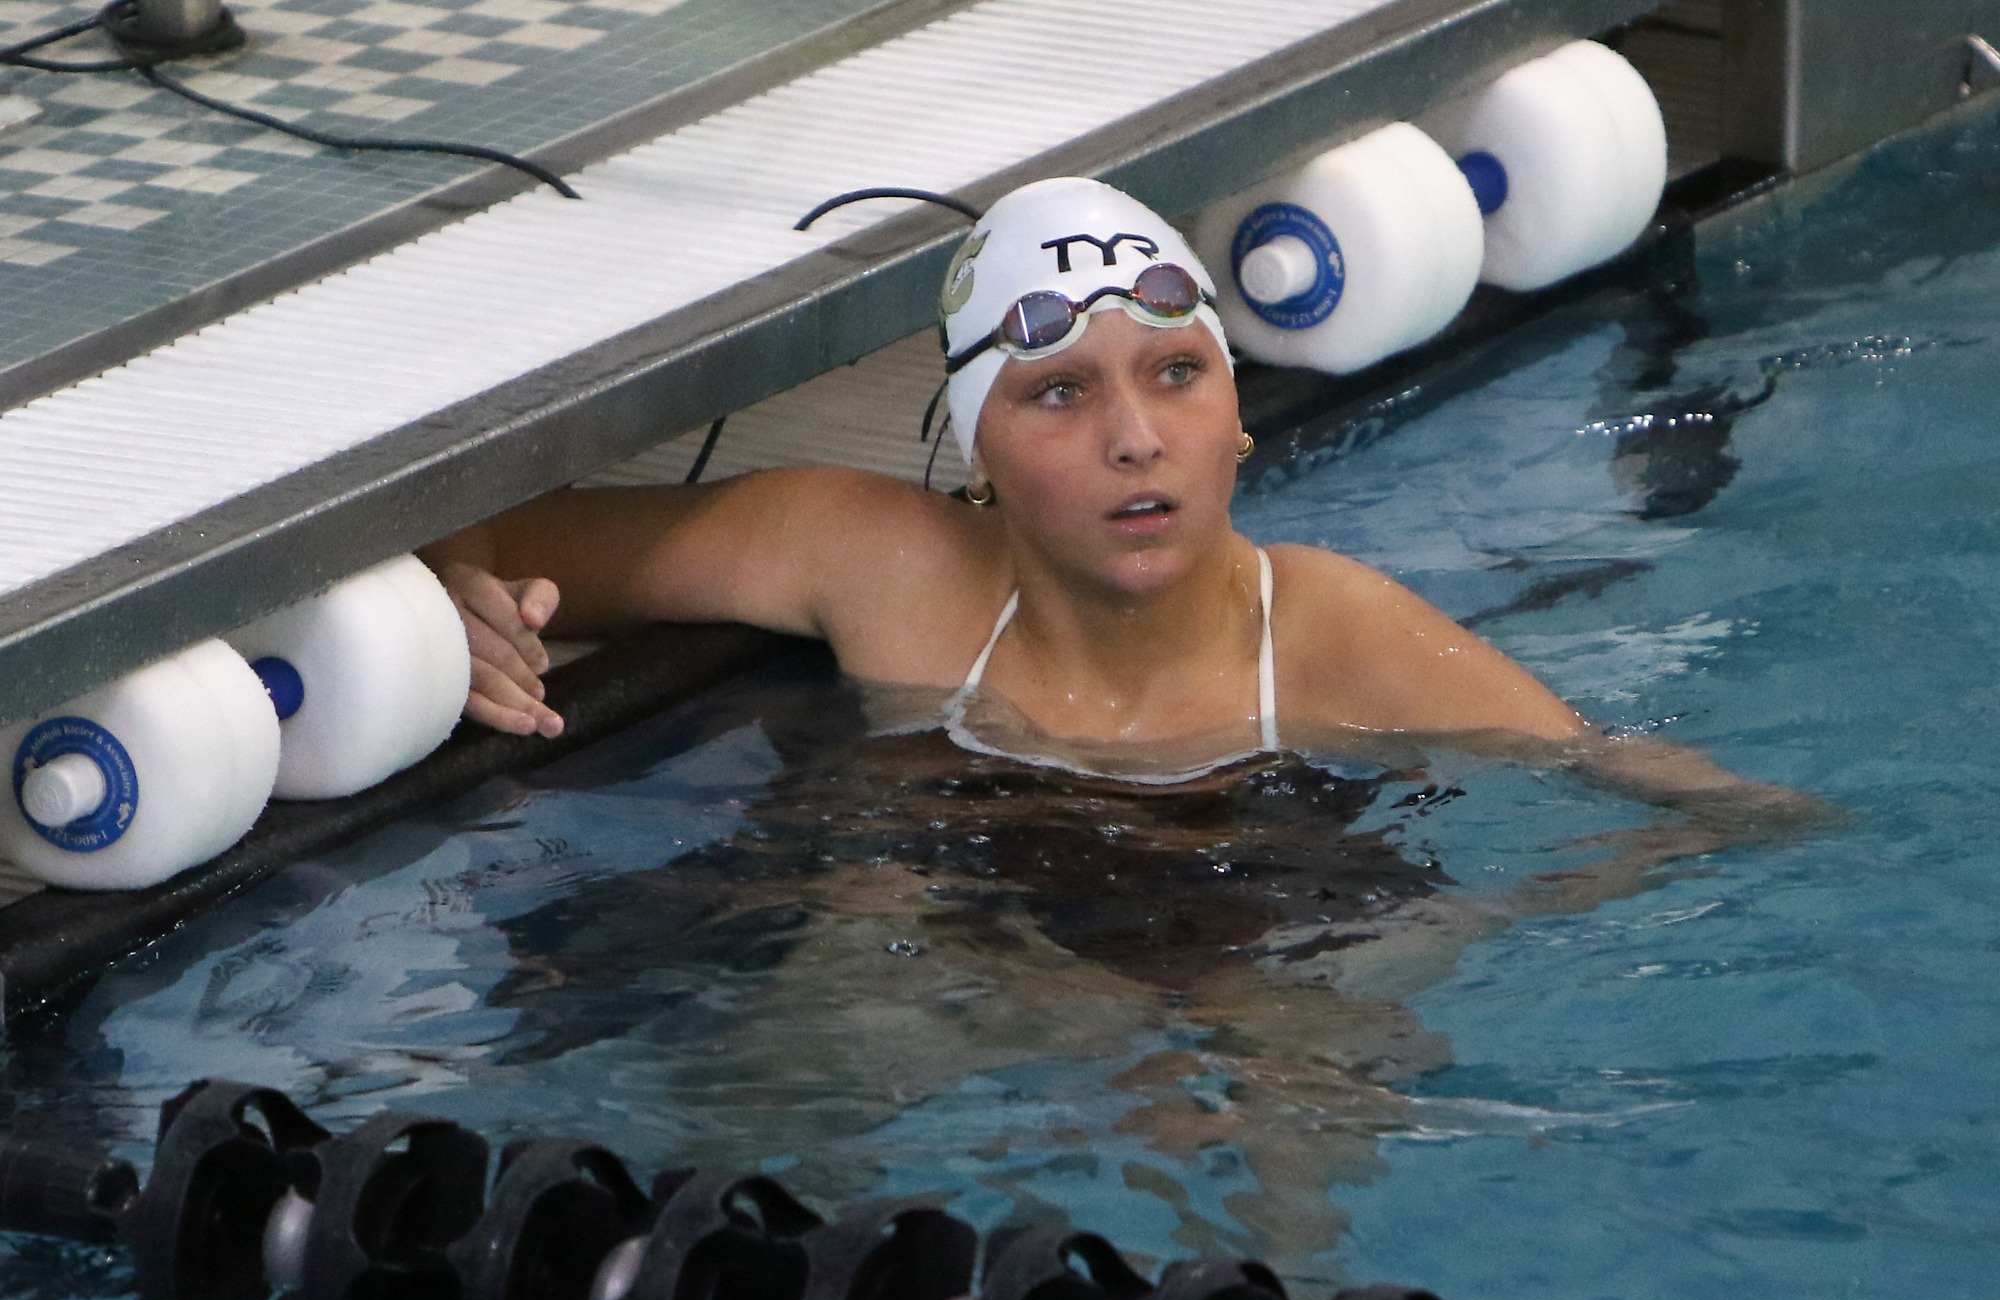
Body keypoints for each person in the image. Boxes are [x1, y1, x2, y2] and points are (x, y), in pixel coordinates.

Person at [422, 176, 1807, 821]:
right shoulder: (872, 560)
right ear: (978, 453)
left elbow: (1672, 796)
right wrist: (465, 597)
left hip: (1271, 945)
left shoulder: (1332, 631)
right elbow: (504, 525)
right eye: (1060, 394)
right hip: (969, 971)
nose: (1136, 440)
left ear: (1239, 421)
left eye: (1177, 375)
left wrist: (1473, 932)